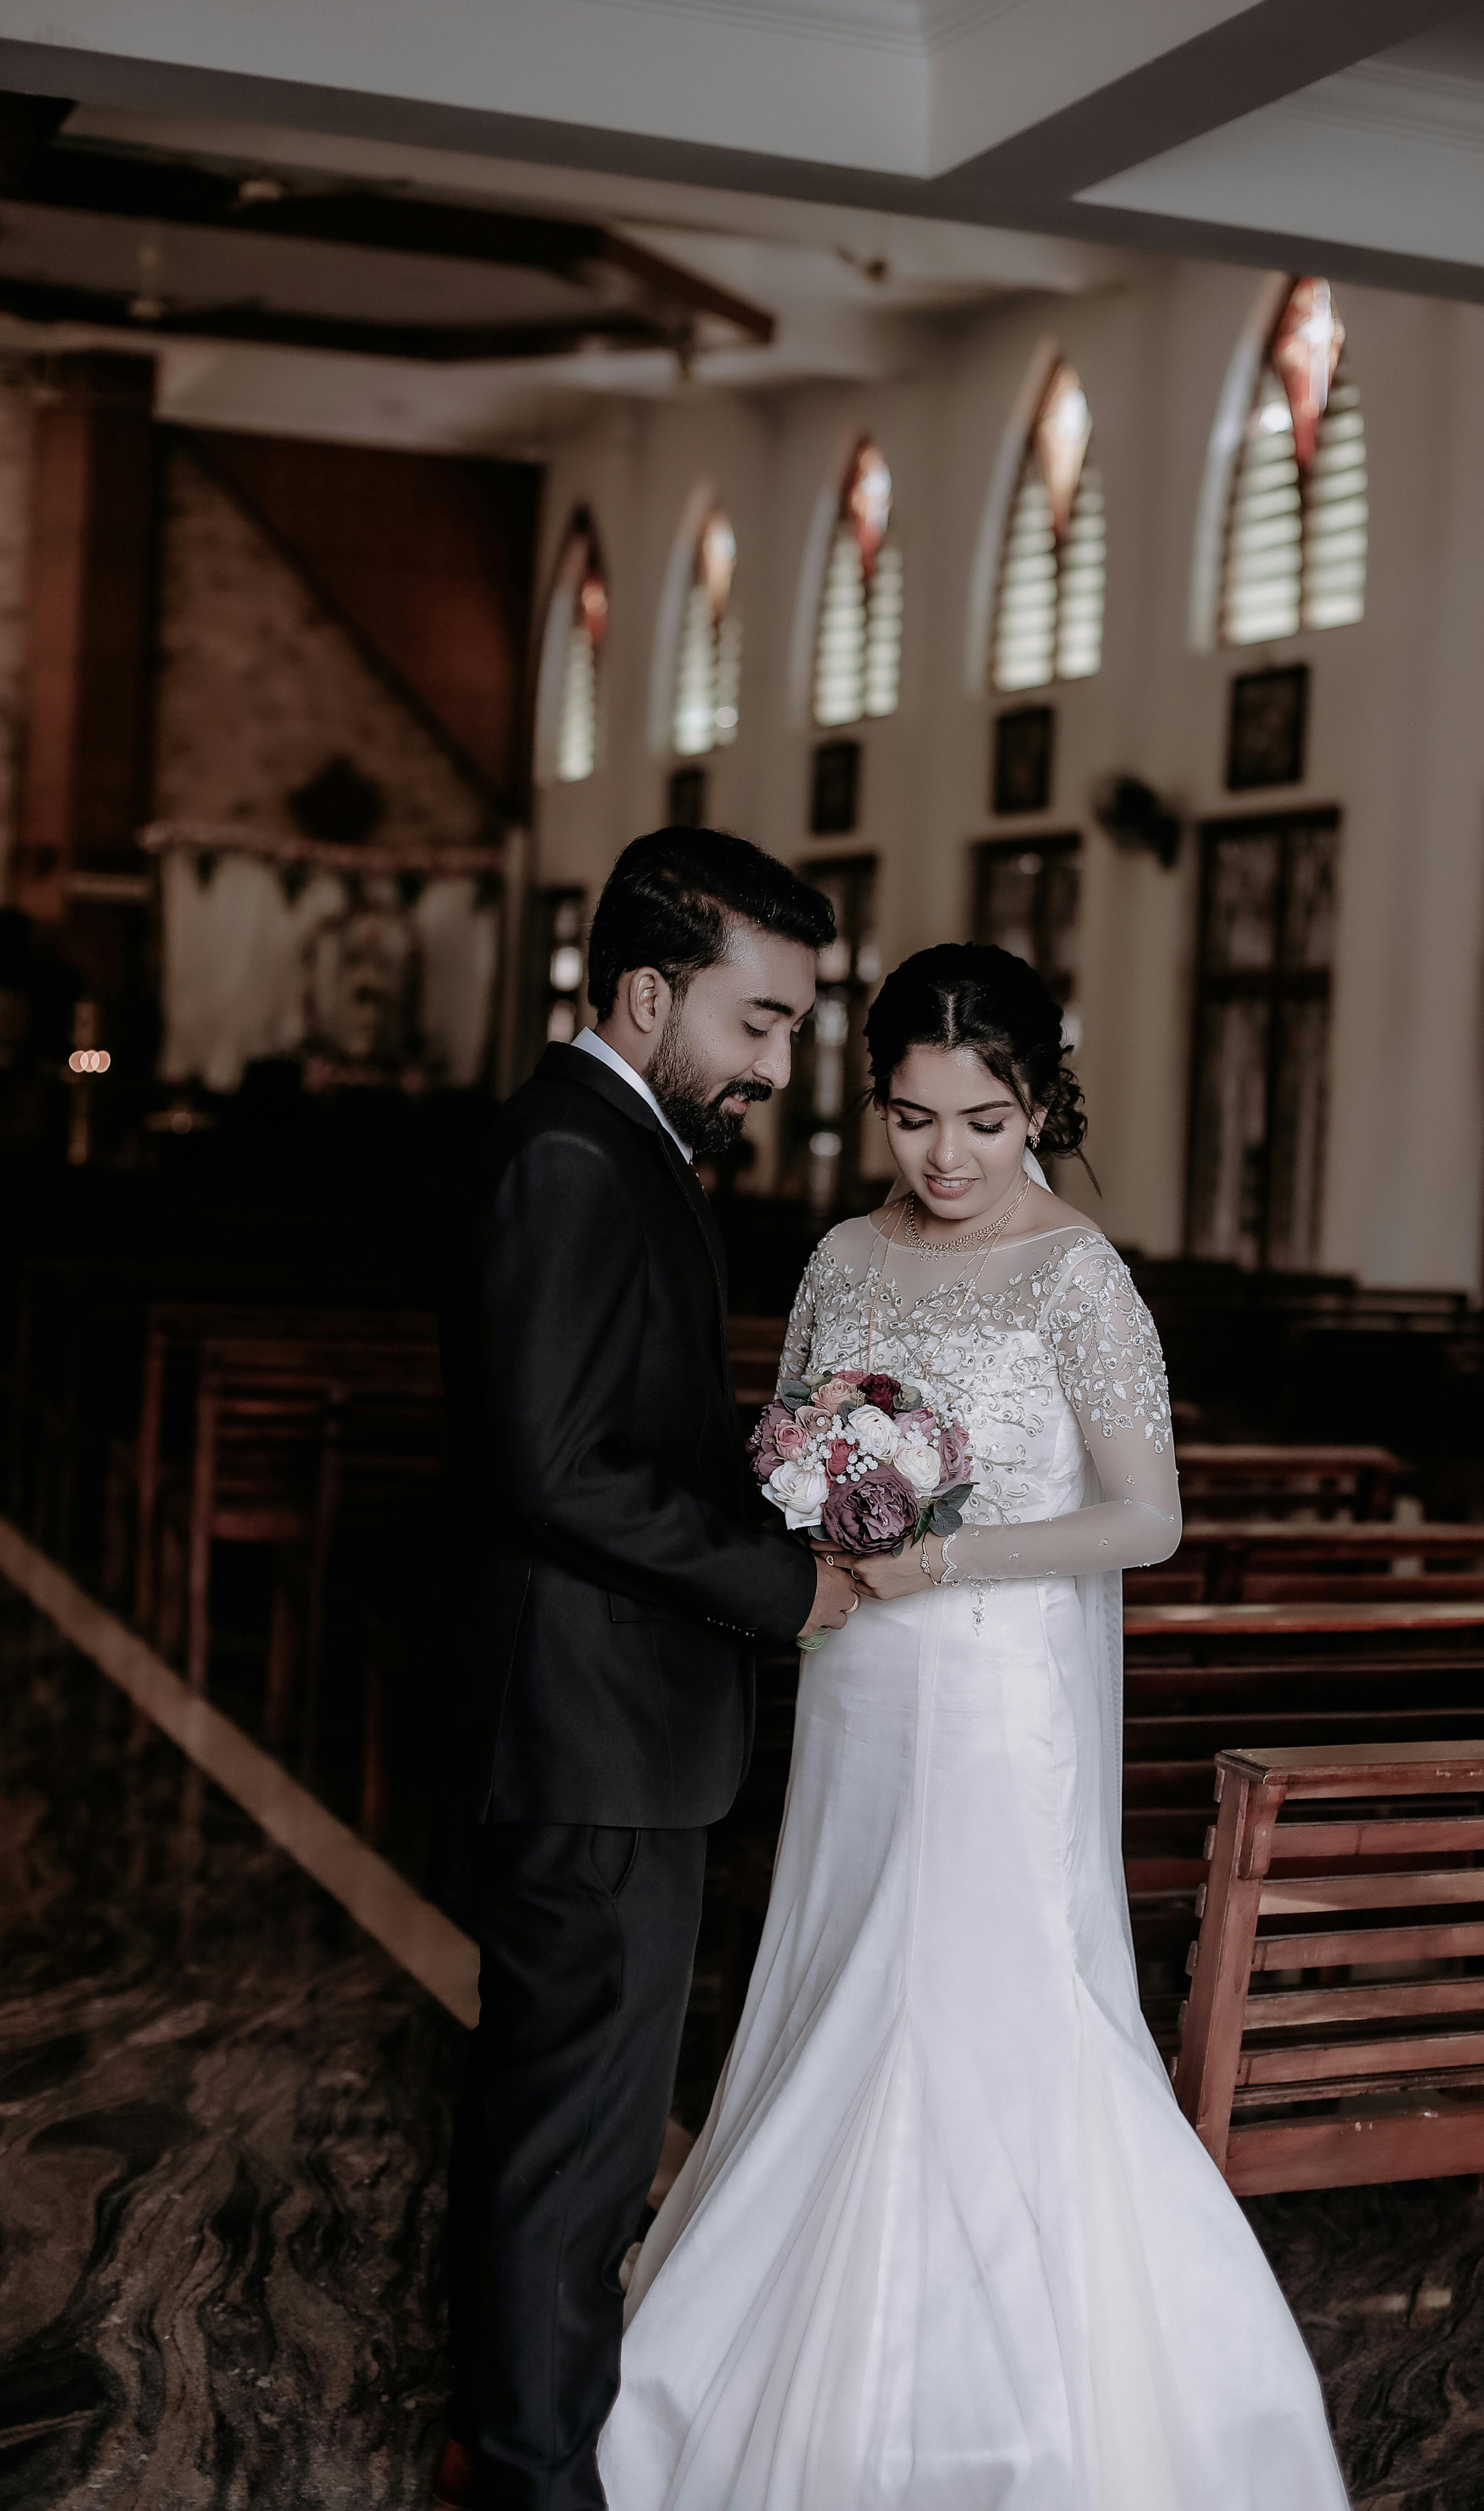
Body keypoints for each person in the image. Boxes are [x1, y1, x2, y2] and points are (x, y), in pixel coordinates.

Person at [599, 943, 1351, 2511]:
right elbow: (790, 1439)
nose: (945, 1158)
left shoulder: (1077, 1275)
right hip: (864, 1680)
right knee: (842, 1973)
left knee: (982, 2000)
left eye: (986, 1122)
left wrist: (948, 1556)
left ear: (1040, 1106)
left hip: (1002, 1693)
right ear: (878, 1105)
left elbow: (1149, 1520)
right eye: (915, 1118)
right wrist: (813, 1499)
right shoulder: (840, 1255)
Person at [436, 828, 861, 2511]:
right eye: (756, 1024)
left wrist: (761, 1445)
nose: (774, 1067)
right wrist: (784, 1583)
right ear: (645, 989)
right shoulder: (571, 1156)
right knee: (579, 2144)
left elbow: (607, 1427)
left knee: (557, 2117)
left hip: (593, 1725)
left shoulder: (616, 1145)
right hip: (588, 1735)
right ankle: (535, 2474)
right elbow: (548, 1468)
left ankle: (509, 2427)